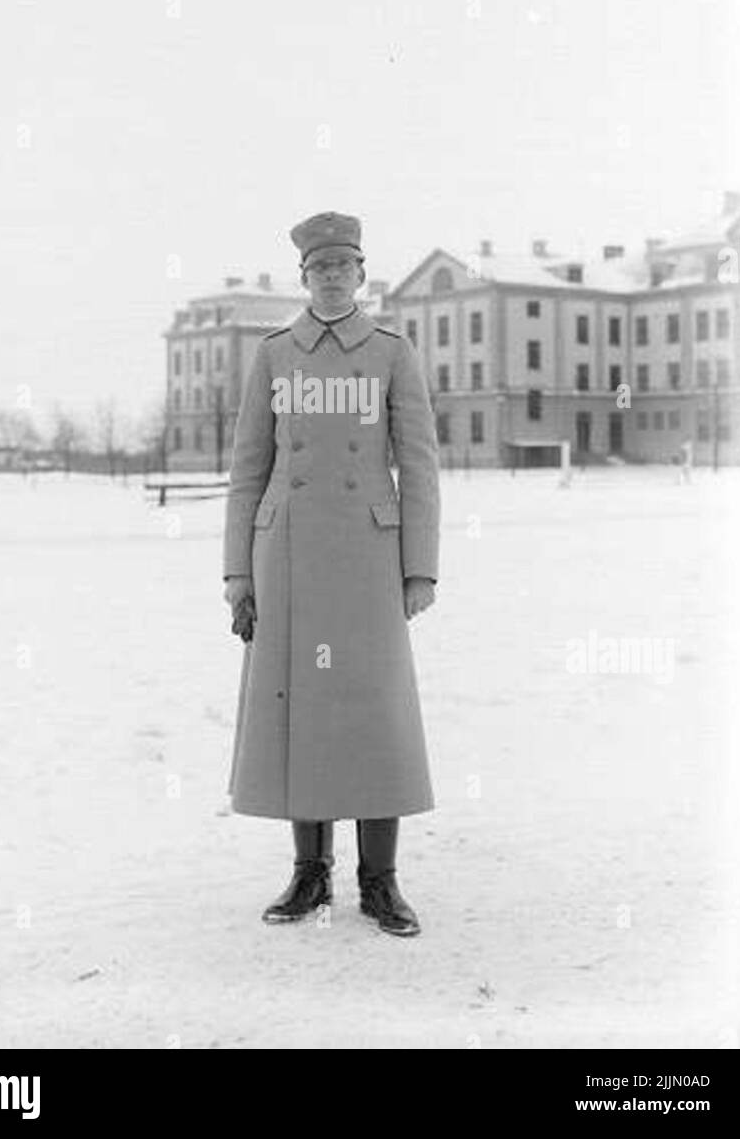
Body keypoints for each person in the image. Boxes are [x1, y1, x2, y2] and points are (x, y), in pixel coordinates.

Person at [222, 211, 440, 937]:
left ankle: (380, 882)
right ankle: (309, 875)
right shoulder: (274, 354)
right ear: (304, 278)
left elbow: (419, 467)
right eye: (320, 270)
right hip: (283, 554)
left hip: (370, 559)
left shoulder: (390, 352)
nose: (332, 279)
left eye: (344, 267)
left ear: (361, 274)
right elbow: (248, 468)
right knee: (299, 709)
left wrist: (420, 570)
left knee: (374, 711)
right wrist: (236, 575)